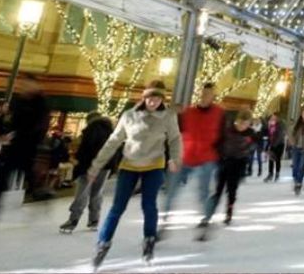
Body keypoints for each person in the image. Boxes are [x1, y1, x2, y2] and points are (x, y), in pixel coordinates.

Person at [89, 80, 183, 269]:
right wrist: (96, 165)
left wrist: (175, 158)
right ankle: (103, 243)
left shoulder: (168, 116)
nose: (153, 101)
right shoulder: (129, 116)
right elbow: (113, 141)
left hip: (154, 165)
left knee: (149, 205)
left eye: (157, 98)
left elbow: (174, 139)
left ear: (162, 99)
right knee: (117, 207)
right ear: (144, 97)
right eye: (150, 97)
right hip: (129, 165)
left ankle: (149, 239)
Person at [0, 75, 51, 231]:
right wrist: (8, 133)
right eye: (22, 84)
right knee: (0, 179)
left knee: (30, 176)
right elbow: (12, 121)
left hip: (30, 148)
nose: (23, 87)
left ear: (35, 86)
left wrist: (19, 134)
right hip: (14, 148)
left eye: (27, 84)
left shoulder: (41, 105)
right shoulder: (19, 101)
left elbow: (40, 126)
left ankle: (41, 192)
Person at [163, 82, 224, 231]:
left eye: (209, 94)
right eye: (203, 93)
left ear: (213, 96)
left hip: (207, 157)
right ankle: (163, 220)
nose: (205, 97)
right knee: (171, 189)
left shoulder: (219, 113)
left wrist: (221, 156)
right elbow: (176, 134)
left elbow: (223, 136)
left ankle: (207, 218)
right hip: (186, 156)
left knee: (203, 192)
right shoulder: (188, 113)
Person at [199, 110, 257, 238]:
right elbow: (218, 143)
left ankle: (229, 211)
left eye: (245, 124)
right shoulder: (228, 130)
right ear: (237, 121)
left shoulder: (251, 134)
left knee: (231, 190)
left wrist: (247, 155)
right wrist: (218, 154)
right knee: (218, 190)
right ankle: (208, 215)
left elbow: (254, 146)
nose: (242, 126)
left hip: (238, 164)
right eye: (241, 123)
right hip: (225, 162)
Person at [59, 112, 114, 234]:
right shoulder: (110, 131)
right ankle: (94, 220)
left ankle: (73, 220)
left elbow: (86, 148)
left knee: (82, 192)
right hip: (105, 166)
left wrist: (78, 161)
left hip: (89, 166)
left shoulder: (91, 130)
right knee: (97, 193)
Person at [287, 108, 304, 195]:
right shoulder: (297, 123)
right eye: (303, 113)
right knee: (295, 165)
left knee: (301, 166)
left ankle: (299, 183)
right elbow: (291, 132)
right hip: (296, 147)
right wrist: (292, 141)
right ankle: (295, 180)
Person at [264, 114, 285, 183]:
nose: (273, 119)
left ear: (277, 118)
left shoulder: (280, 125)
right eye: (272, 118)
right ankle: (270, 174)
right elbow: (269, 135)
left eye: (274, 117)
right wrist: (269, 144)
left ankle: (277, 174)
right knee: (271, 160)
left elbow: (280, 136)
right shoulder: (270, 126)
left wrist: (274, 144)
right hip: (272, 145)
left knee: (277, 160)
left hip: (279, 145)